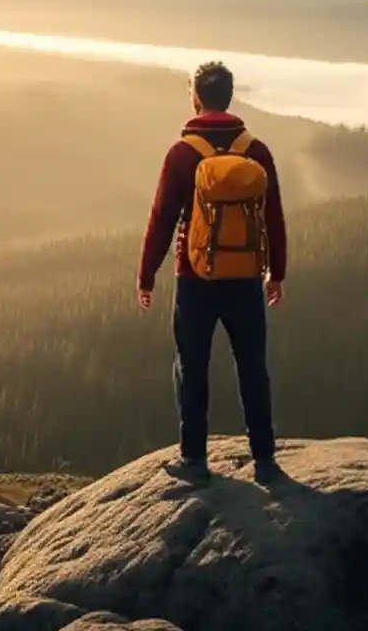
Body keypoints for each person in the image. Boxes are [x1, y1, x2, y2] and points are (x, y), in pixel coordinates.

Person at [137, 61, 288, 485]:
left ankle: (195, 461)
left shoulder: (183, 154)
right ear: (231, 97)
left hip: (195, 277)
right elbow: (273, 216)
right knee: (253, 368)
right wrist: (276, 272)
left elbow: (162, 218)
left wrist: (147, 275)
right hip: (245, 278)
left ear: (196, 98)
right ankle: (265, 460)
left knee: (192, 366)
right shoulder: (255, 151)